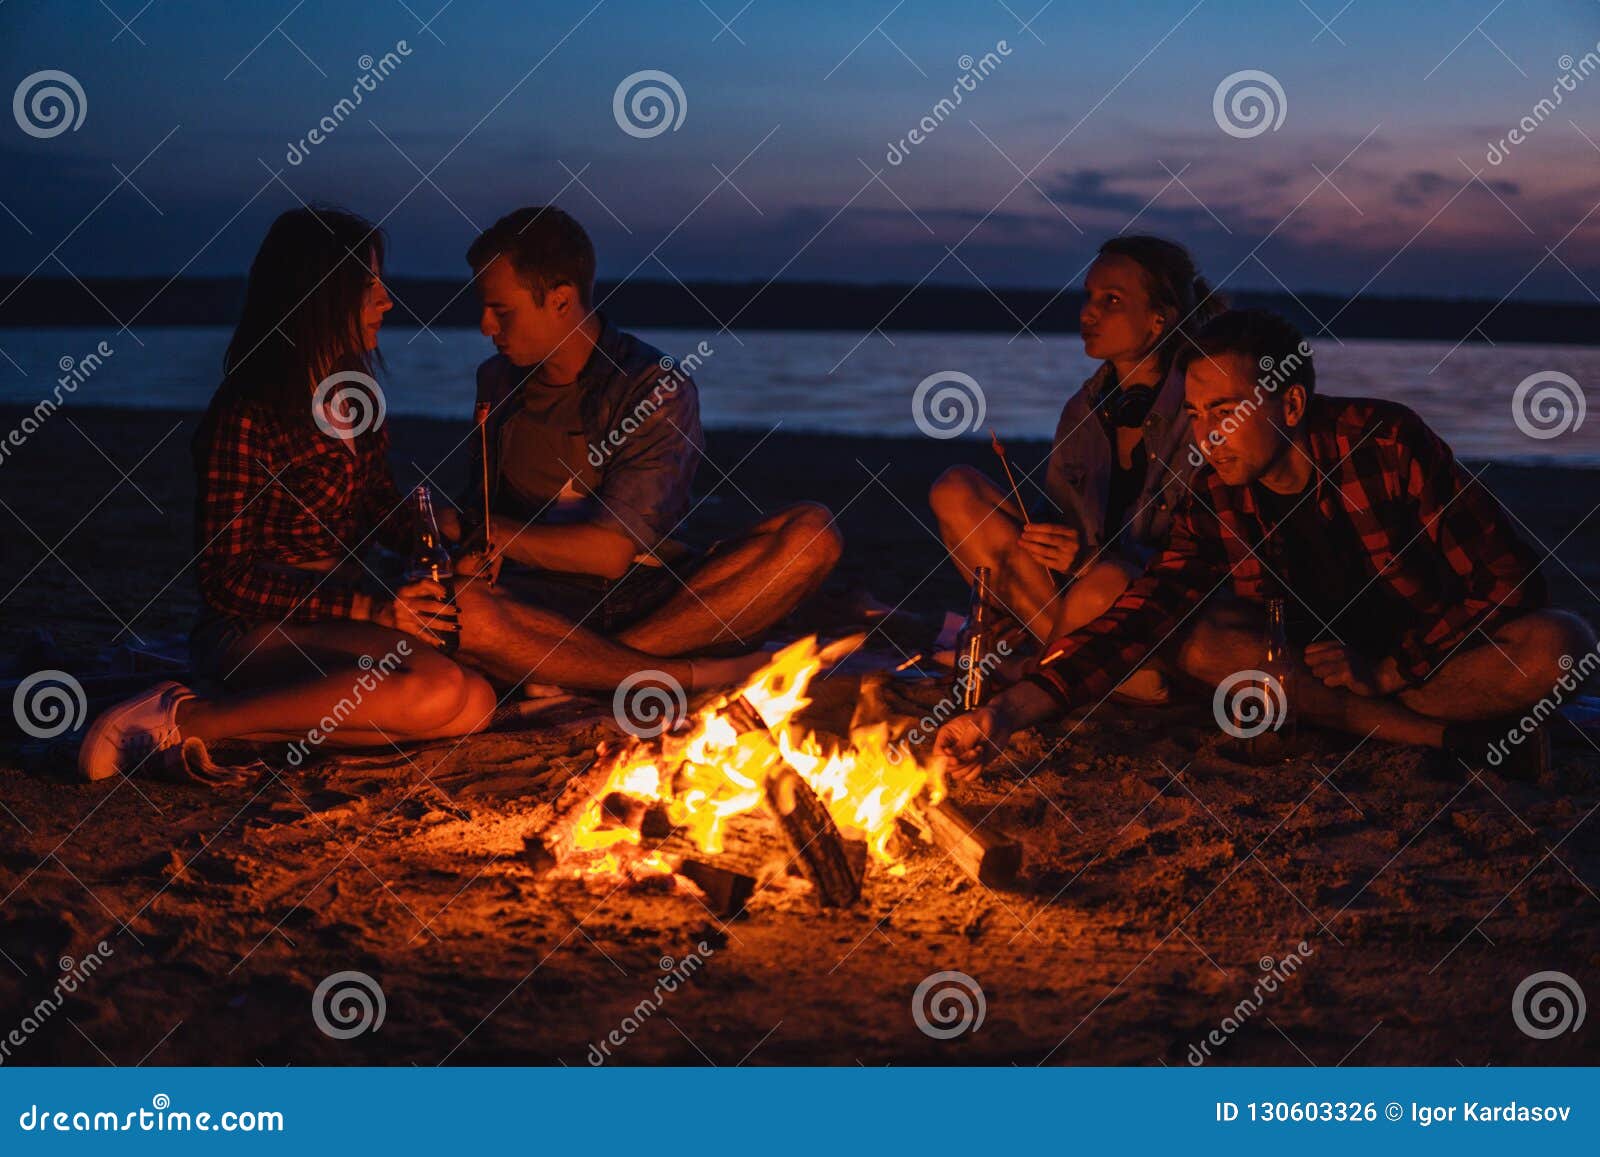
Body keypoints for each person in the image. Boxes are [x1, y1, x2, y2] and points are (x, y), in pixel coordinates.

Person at [77, 207, 760, 782]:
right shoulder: (248, 412)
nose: (385, 300)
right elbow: (227, 579)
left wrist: (441, 541)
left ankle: (248, 730)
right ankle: (185, 717)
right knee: (436, 688)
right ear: (323, 296)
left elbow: (378, 504)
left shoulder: (355, 402)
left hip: (334, 614)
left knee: (471, 702)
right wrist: (377, 607)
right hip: (257, 622)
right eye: (369, 283)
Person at [932, 309, 1596, 780]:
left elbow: (1509, 579)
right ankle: (1444, 738)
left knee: (1564, 645)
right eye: (1194, 416)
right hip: (1308, 672)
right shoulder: (1213, 489)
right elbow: (1139, 617)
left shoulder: (1385, 441)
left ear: (1293, 405)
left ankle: (1396, 719)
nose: (1204, 438)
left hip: (1426, 661)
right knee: (1193, 638)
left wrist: (1395, 666)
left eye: (1225, 412)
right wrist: (1004, 714)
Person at [442, 206, 843, 666]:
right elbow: (484, 507)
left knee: (812, 533)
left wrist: (483, 531)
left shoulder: (651, 387)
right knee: (451, 606)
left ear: (560, 300)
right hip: (533, 598)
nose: (485, 326)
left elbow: (609, 553)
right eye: (484, 308)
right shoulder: (497, 381)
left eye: (501, 310)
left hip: (651, 598)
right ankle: (600, 668)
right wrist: (470, 545)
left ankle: (605, 664)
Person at [927, 235, 1222, 698]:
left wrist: (1088, 562)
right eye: (1088, 297)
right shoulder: (1082, 410)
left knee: (1105, 581)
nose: (1088, 313)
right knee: (955, 489)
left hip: (1154, 607)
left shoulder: (1204, 410)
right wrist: (1028, 578)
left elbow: (1206, 560)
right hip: (1075, 603)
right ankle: (1073, 662)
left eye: (1112, 301)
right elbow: (1057, 525)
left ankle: (1048, 669)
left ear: (1157, 321)